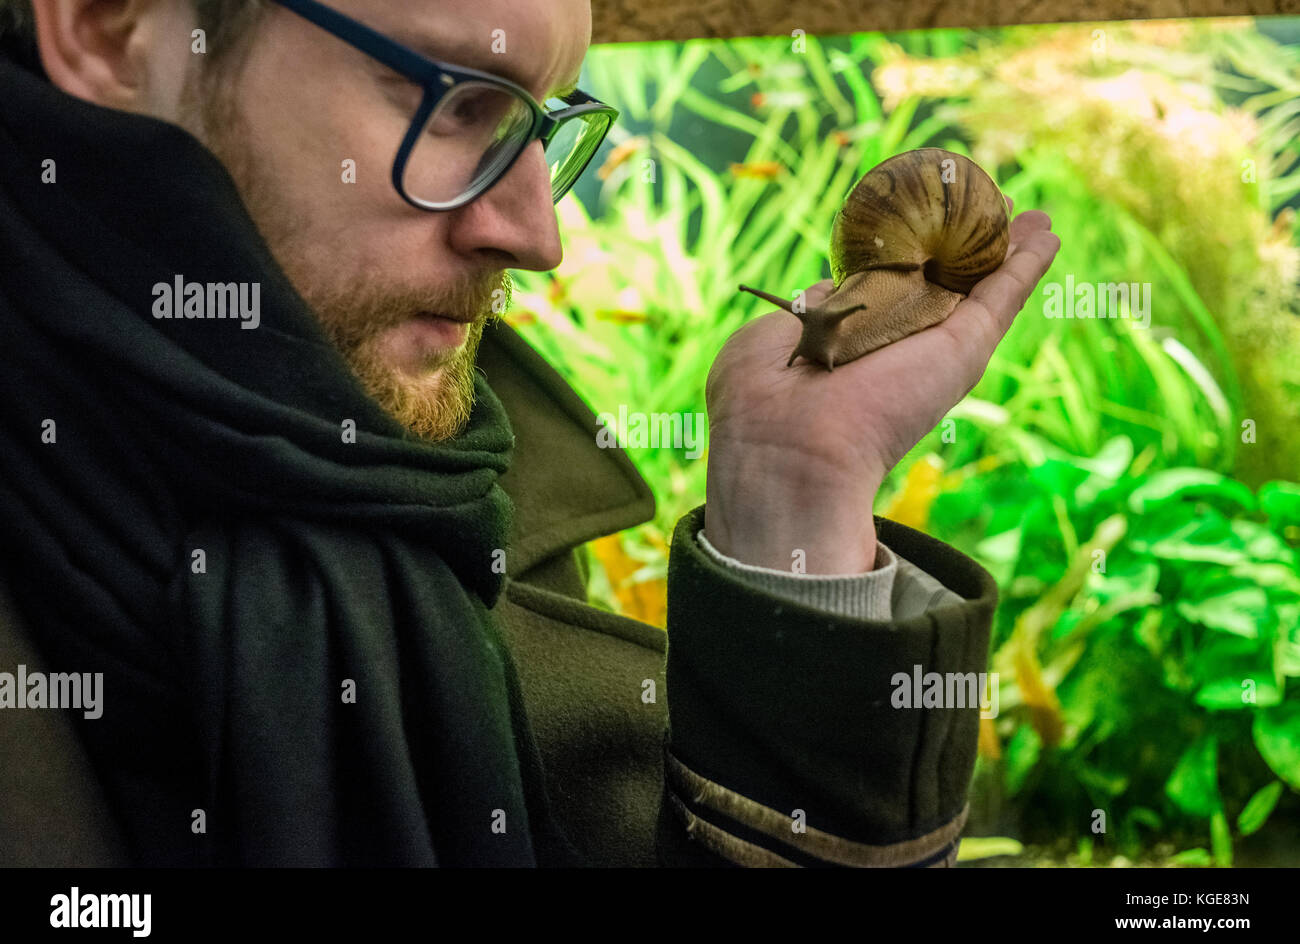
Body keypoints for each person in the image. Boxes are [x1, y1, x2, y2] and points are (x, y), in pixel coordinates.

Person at [0, 0, 1061, 867]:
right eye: (458, 102)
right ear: (109, 29)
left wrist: (797, 493)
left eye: (539, 123)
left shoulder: (487, 527)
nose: (534, 234)